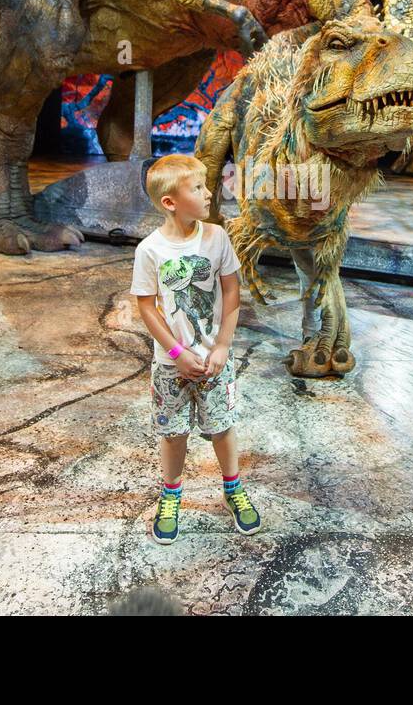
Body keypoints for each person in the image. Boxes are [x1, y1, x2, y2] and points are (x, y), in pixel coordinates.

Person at [130, 153, 262, 545]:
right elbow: (146, 306)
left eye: (207, 185)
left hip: (215, 362)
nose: (209, 193)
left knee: (221, 426)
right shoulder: (150, 250)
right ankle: (171, 495)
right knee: (172, 432)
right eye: (198, 188)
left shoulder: (217, 237)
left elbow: (232, 292)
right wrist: (176, 354)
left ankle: (233, 488)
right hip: (172, 365)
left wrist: (222, 345)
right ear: (170, 202)